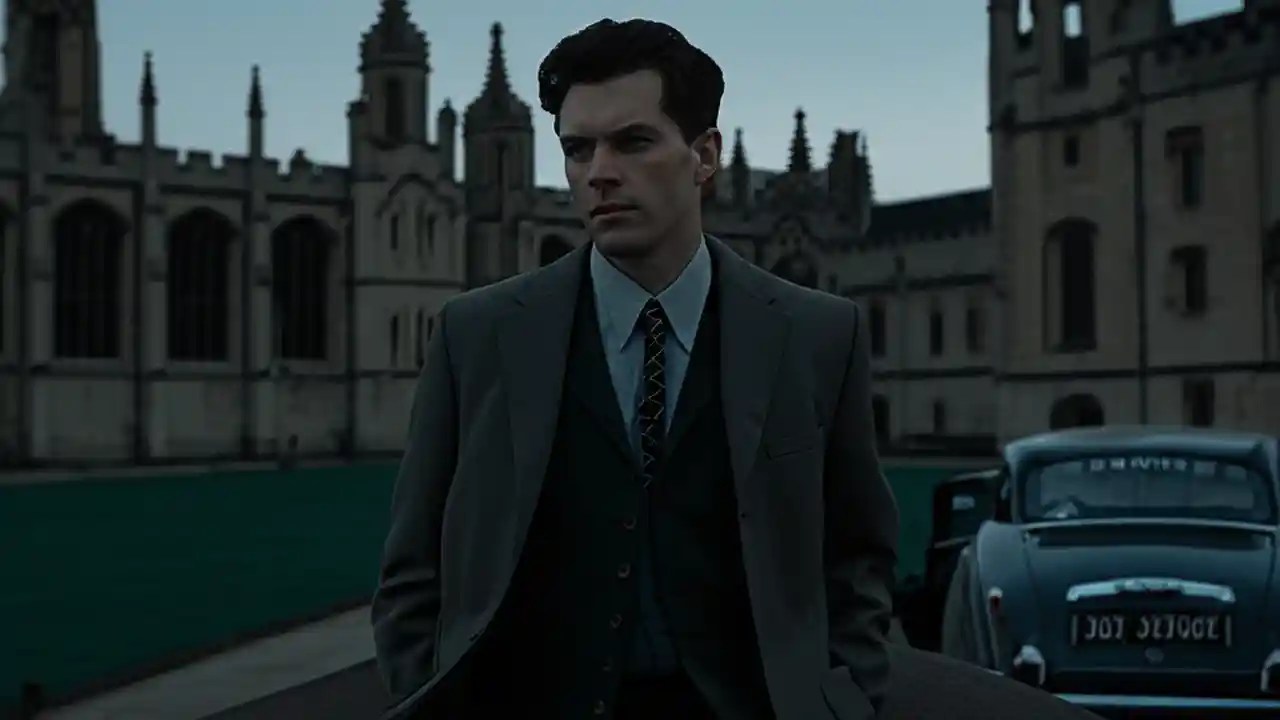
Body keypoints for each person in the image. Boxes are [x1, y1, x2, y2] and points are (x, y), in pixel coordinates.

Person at [372, 17, 899, 720]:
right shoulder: (477, 333)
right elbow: (413, 566)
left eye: (633, 142)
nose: (599, 173)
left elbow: (857, 558)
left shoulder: (818, 334)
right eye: (578, 149)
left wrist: (845, 699)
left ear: (705, 155)